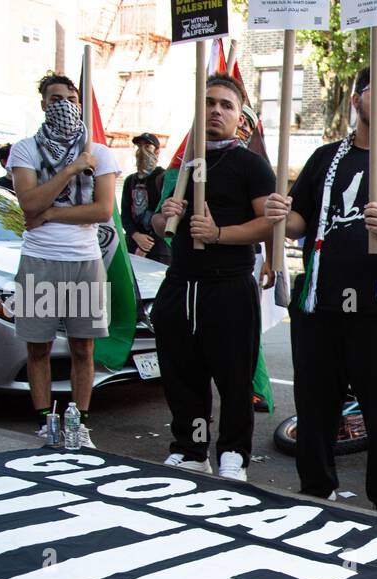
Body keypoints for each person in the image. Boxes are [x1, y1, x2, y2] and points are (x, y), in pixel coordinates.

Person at [267, 63, 377, 513]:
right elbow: (302, 223)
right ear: (356, 100)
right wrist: (282, 214)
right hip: (321, 306)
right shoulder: (324, 158)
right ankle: (316, 492)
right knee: (315, 406)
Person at [150, 71, 277, 481]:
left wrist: (219, 234)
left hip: (229, 284)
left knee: (233, 375)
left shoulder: (250, 165)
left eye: (226, 105)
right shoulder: (181, 167)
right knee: (182, 373)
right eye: (208, 103)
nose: (216, 110)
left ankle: (234, 454)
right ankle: (190, 448)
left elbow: (268, 224)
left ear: (240, 116)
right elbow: (155, 223)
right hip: (181, 282)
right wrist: (162, 218)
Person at [7, 72, 122, 449]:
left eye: (70, 99)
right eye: (54, 99)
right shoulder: (25, 150)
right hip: (39, 259)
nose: (63, 106)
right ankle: (45, 422)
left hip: (83, 260)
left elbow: (102, 210)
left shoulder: (99, 153)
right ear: (42, 103)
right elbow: (28, 203)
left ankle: (80, 423)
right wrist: (71, 170)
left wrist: (52, 214)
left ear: (79, 102)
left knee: (82, 347)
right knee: (38, 347)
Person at [120, 132, 170, 264]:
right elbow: (125, 215)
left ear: (157, 152)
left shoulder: (164, 178)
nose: (142, 151)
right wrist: (135, 235)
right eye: (139, 146)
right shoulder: (130, 180)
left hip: (159, 250)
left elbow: (165, 216)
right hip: (132, 245)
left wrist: (146, 245)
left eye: (147, 146)